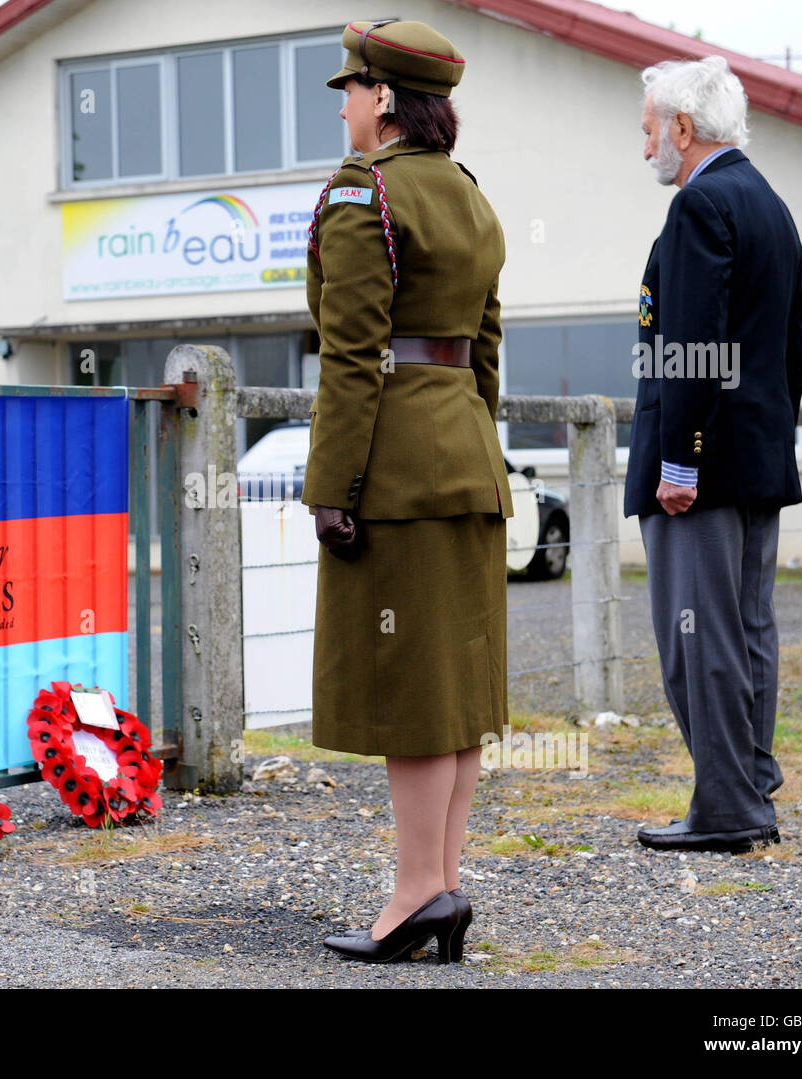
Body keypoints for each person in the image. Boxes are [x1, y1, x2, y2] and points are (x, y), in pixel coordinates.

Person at [299, 18, 513, 963]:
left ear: (383, 99)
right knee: (454, 691)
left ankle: (416, 893)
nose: (344, 104)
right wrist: (473, 441)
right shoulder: (468, 195)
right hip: (466, 456)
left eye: (350, 89)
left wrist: (330, 484)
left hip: (393, 468)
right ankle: (441, 884)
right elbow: (486, 349)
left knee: (413, 695)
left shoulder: (364, 193)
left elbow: (351, 355)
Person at [626, 55, 802, 853]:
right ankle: (750, 787)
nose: (646, 150)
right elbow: (789, 351)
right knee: (749, 629)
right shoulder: (771, 205)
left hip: (702, 469)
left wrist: (680, 461)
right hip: (758, 457)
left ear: (683, 128)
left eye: (649, 132)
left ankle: (729, 805)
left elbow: (689, 347)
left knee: (699, 640)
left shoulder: (700, 206)